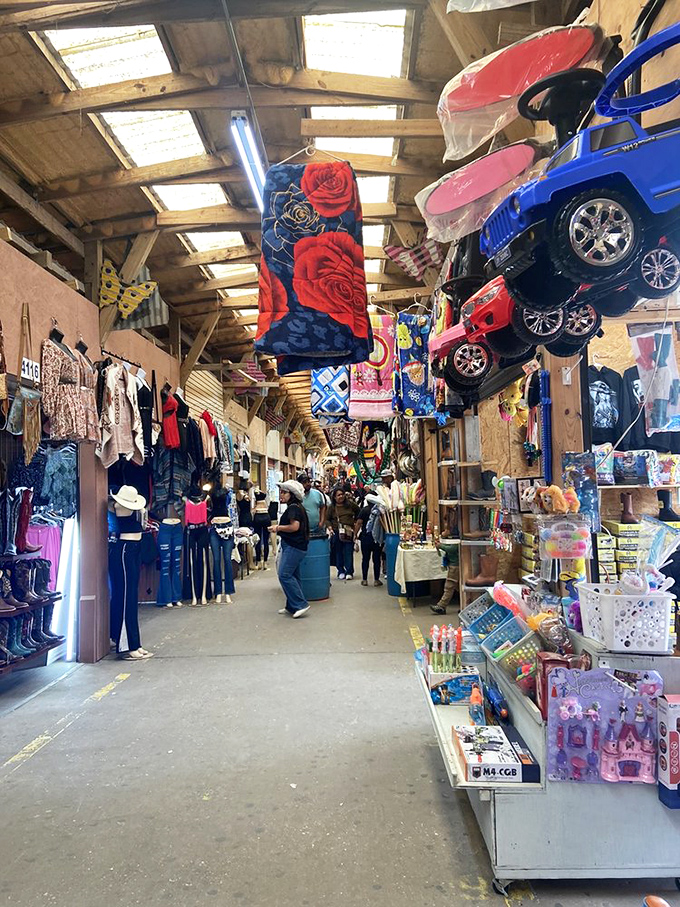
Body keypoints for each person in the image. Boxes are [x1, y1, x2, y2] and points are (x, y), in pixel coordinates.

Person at [272, 480, 310, 618]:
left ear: (291, 494)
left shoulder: (293, 508)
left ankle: (300, 604)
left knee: (284, 575)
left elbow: (295, 527)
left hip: (294, 546)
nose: (281, 495)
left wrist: (278, 528)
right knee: (293, 575)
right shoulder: (295, 507)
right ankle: (291, 605)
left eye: (284, 492)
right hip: (295, 546)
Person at [328, 487, 359, 580]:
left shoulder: (350, 505)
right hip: (337, 532)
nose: (341, 496)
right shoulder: (331, 507)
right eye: (338, 495)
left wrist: (355, 523)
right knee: (338, 552)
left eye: (342, 494)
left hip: (348, 531)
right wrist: (329, 527)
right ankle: (340, 571)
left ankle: (349, 571)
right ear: (334, 497)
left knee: (348, 551)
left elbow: (359, 512)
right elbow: (327, 519)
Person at [355, 493, 383, 587]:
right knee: (376, 559)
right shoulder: (380, 510)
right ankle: (376, 580)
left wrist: (355, 534)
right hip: (377, 538)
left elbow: (359, 523)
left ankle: (364, 579)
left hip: (365, 537)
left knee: (365, 559)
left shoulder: (364, 510)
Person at [252, 489, 271, 569]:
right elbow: (269, 504)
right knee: (266, 541)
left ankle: (259, 562)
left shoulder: (254, 494)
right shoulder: (264, 494)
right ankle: (265, 562)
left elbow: (252, 506)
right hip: (266, 515)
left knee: (258, 540)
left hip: (257, 515)